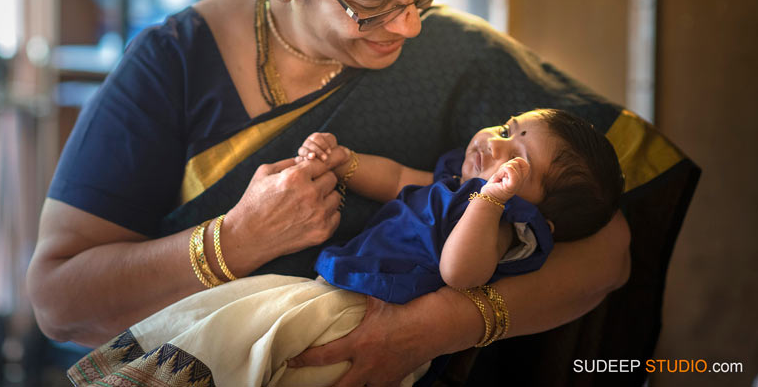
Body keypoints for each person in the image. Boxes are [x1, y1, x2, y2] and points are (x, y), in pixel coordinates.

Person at [27, 0, 631, 386]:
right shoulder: (173, 67)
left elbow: (610, 248)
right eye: (373, 5)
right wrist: (232, 241)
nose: (411, 25)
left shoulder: (458, 57)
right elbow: (58, 301)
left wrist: (433, 327)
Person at [66, 109, 624, 386]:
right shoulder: (457, 183)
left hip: (375, 312)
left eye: (518, 157)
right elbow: (400, 178)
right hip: (339, 289)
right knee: (248, 313)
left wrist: (491, 203)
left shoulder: (502, 221)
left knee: (261, 335)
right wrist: (347, 163)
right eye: (508, 126)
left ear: (540, 209)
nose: (496, 142)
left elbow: (461, 273)